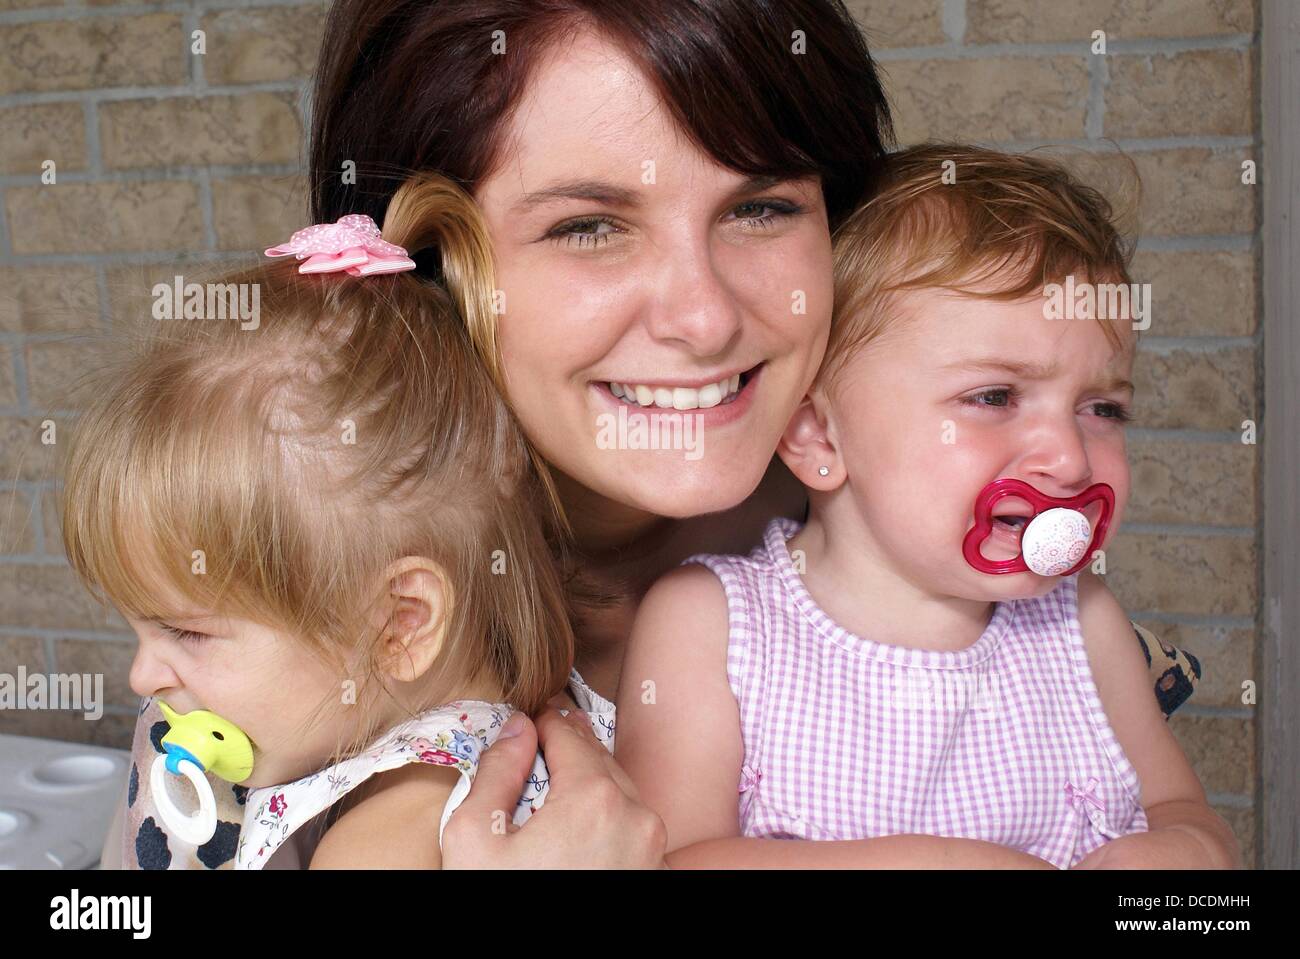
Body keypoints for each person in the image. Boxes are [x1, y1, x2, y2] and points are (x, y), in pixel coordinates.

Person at [104, 1, 1201, 869]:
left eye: (762, 206)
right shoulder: (268, 664)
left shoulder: (951, 576)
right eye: (588, 226)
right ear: (438, 266)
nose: (705, 314)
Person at [616, 145, 1238, 869]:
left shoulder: (1082, 621)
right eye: (995, 398)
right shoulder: (712, 623)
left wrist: (1186, 854)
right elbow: (674, 861)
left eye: (1101, 408)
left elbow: (1187, 816)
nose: (1069, 458)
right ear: (818, 434)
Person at [68, 174, 593, 868]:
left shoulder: (392, 840)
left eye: (188, 630)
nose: (143, 676)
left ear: (399, 622)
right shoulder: (336, 725)